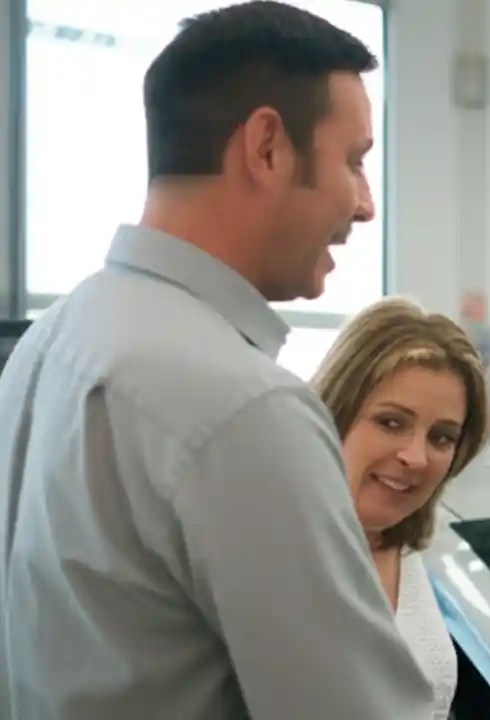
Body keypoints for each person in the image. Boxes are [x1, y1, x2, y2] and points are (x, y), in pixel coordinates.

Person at [0, 2, 438, 718]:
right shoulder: (243, 408)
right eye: (355, 161)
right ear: (266, 147)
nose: (365, 205)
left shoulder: (51, 341)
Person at [311, 296, 490, 719]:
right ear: (333, 414)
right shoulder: (266, 547)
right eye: (391, 423)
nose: (416, 457)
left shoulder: (418, 553)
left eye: (442, 437)